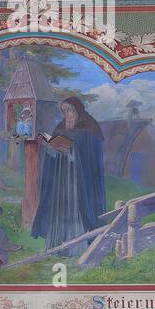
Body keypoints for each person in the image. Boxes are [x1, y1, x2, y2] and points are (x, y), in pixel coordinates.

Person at [31, 96, 106, 255]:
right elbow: (55, 153)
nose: (68, 115)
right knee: (61, 208)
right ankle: (58, 245)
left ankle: (77, 247)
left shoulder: (90, 128)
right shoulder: (60, 127)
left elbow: (91, 159)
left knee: (77, 209)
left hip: (79, 181)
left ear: (78, 110)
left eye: (70, 110)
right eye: (64, 111)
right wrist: (48, 145)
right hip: (62, 178)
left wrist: (71, 150)